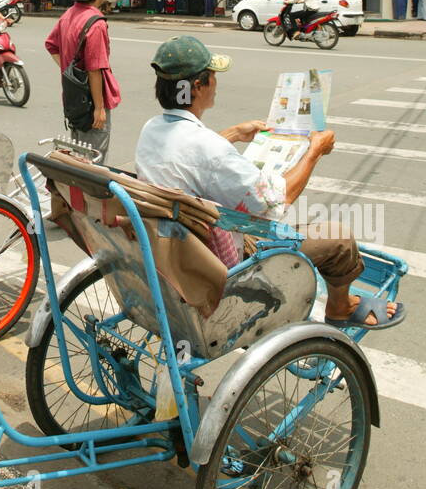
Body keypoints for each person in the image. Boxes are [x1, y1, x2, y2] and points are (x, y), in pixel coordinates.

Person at [136, 37, 402, 328]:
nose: (216, 83)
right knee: (339, 239)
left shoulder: (152, 129)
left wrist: (236, 133)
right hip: (220, 263)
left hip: (173, 249)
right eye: (212, 77)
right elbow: (273, 202)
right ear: (197, 87)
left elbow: (189, 158)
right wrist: (314, 151)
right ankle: (340, 307)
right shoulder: (206, 147)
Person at [45, 0, 121, 160]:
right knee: (92, 162)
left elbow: (51, 45)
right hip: (89, 101)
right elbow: (95, 70)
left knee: (78, 157)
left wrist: (70, 72)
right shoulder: (96, 23)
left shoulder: (69, 13)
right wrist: (99, 107)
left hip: (72, 97)